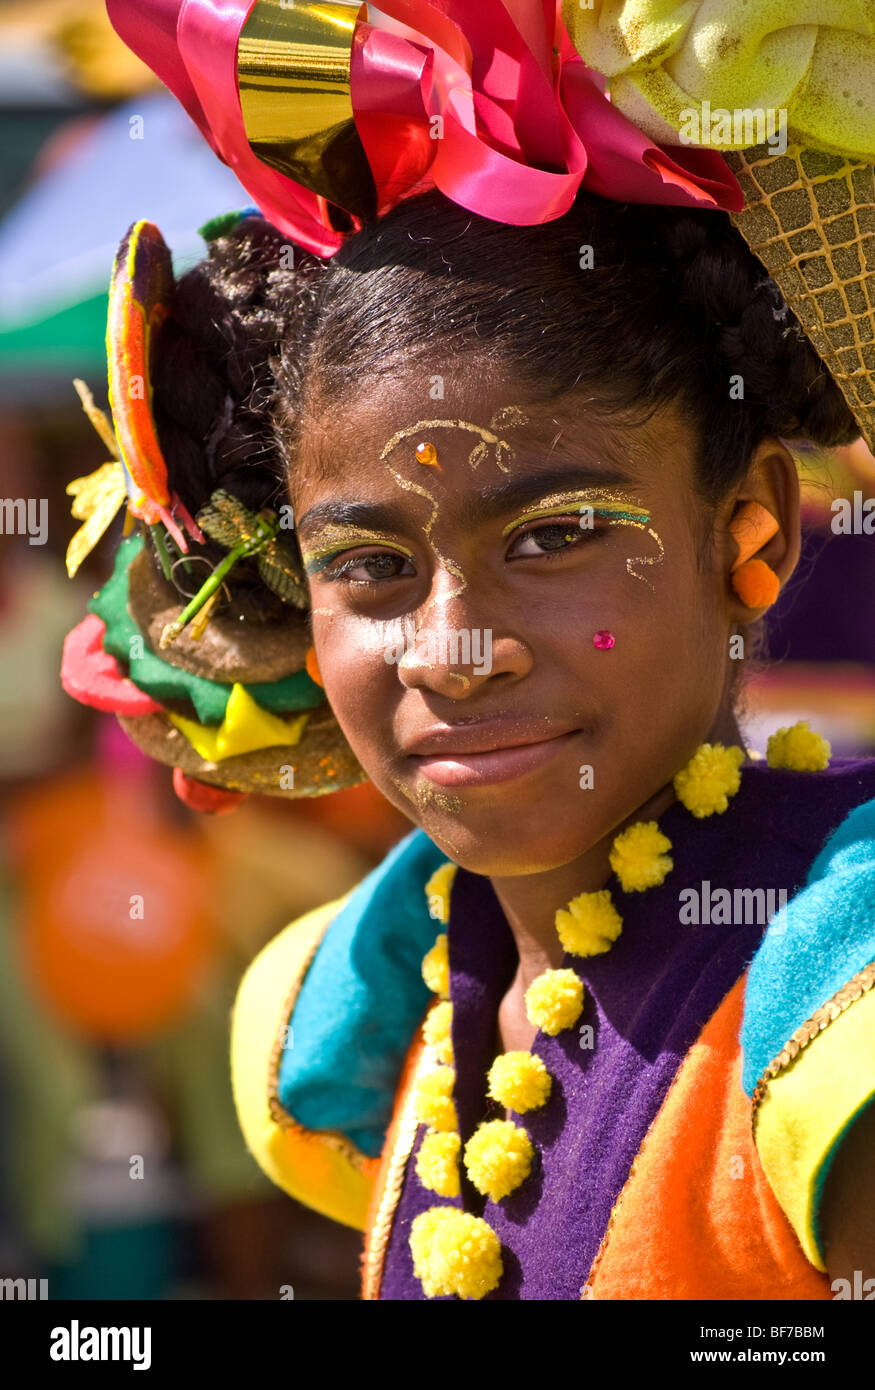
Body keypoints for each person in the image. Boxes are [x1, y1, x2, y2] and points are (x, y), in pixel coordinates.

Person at [62, 1, 875, 1301]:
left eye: (554, 537)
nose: (453, 649)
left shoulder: (838, 1006)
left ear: (749, 535)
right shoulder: (387, 1007)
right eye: (371, 565)